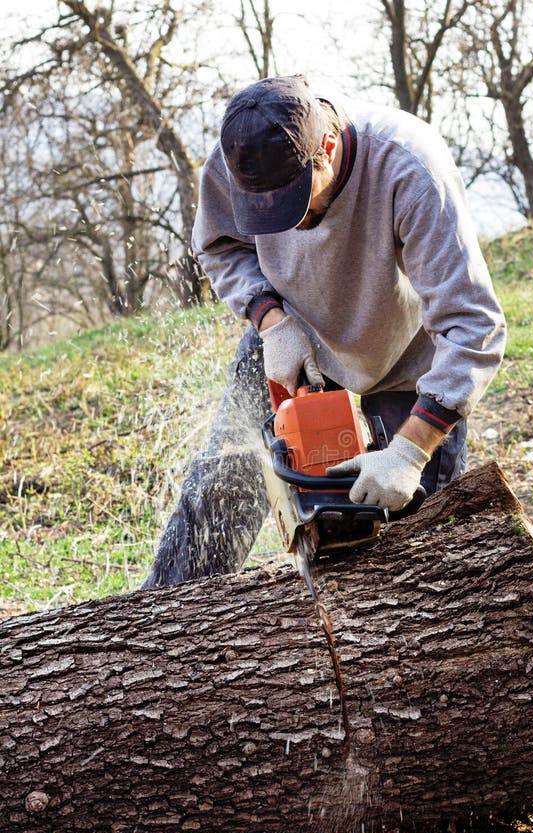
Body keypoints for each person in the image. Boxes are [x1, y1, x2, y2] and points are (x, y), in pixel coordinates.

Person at [141, 74, 506, 589]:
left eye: (291, 201)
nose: (283, 226)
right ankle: (166, 623)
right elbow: (220, 246)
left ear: (327, 148)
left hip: (405, 359)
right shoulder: (237, 160)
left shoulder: (409, 169)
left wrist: (410, 451)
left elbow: (473, 326)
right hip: (294, 335)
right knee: (223, 482)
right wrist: (271, 320)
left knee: (415, 543)